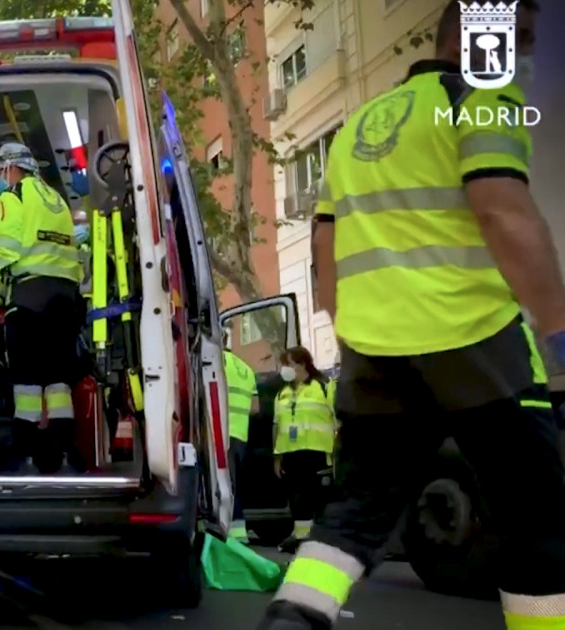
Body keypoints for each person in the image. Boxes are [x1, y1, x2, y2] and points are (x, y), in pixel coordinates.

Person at [258, 3, 565, 629]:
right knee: (536, 512)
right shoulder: (481, 100)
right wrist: (557, 324)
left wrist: (353, 330)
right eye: (520, 38)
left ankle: (291, 622)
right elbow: (501, 210)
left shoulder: (358, 127)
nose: (526, 55)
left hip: (378, 349)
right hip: (475, 339)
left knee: (357, 512)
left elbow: (325, 243)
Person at [0, 142, 84, 473]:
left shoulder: (11, 198)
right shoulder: (56, 200)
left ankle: (25, 456)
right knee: (58, 382)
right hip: (65, 299)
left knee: (25, 383)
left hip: (29, 298)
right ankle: (60, 454)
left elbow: (7, 250)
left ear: (11, 168)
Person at [270, 346, 334, 549]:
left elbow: (338, 418)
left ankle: (323, 540)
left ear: (303, 364)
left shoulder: (324, 386)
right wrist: (277, 457)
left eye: (288, 364)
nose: (284, 369)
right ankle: (302, 539)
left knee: (320, 497)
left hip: (318, 451)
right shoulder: (282, 394)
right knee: (297, 499)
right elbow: (277, 427)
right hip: (291, 452)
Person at [222, 335, 259, 543]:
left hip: (220, 434)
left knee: (223, 485)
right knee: (234, 484)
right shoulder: (246, 369)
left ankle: (229, 532)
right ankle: (239, 532)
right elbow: (255, 408)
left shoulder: (215, 363)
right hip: (240, 435)